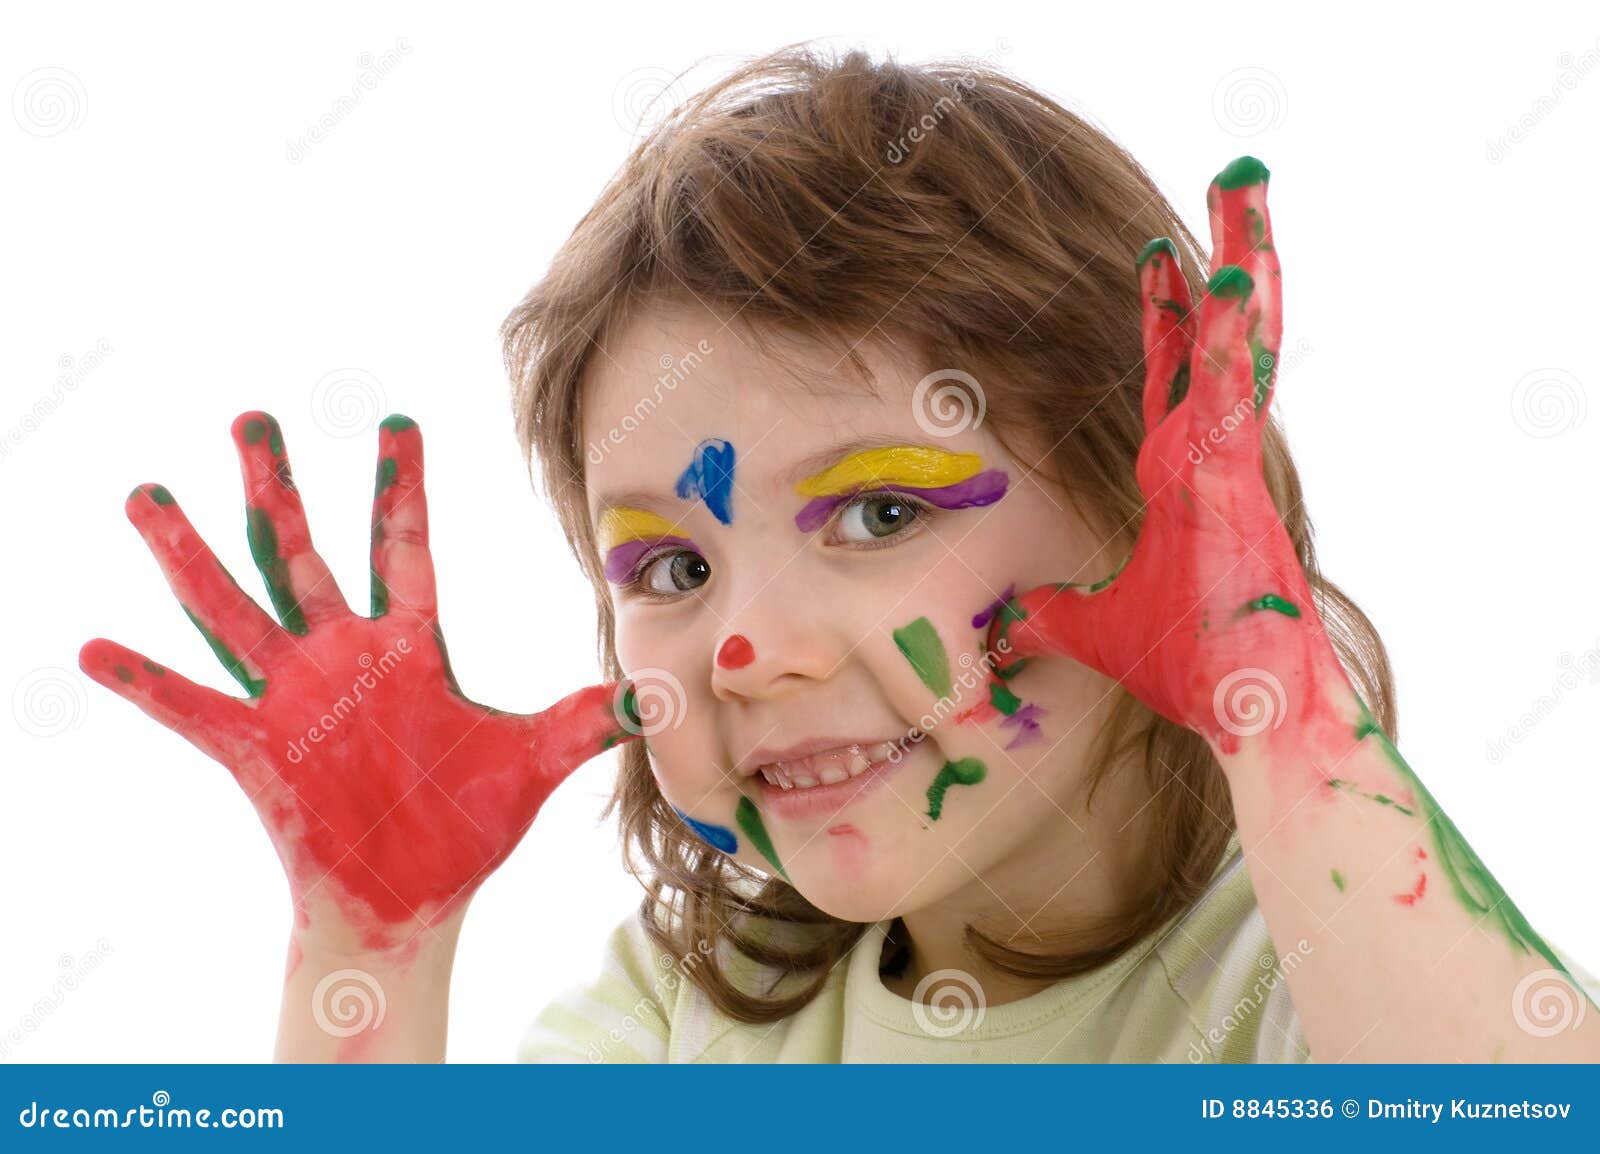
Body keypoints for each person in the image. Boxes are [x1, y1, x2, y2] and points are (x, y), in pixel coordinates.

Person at [80, 46, 1598, 1062]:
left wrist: (1297, 736)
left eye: (879, 513)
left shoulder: (1314, 973)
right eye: (670, 569)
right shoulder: (693, 1024)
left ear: (1156, 514)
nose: (754, 649)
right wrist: (373, 946)